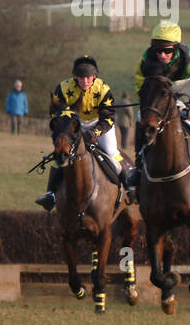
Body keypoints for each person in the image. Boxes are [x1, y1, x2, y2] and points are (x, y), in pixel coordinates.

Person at [128, 21, 190, 186]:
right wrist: (148, 104)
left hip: (187, 85)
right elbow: (141, 87)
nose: (162, 55)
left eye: (167, 51)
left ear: (176, 48)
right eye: (158, 50)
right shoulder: (146, 60)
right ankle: (139, 167)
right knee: (141, 117)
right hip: (160, 87)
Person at [36, 55, 129, 210]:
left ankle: (129, 187)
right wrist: (69, 129)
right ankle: (50, 194)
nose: (85, 81)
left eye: (88, 77)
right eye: (81, 78)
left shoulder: (103, 89)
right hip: (74, 124)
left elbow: (108, 119)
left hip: (99, 123)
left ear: (94, 76)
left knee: (112, 152)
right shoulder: (63, 88)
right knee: (59, 156)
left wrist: (94, 132)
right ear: (75, 77)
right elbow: (56, 114)